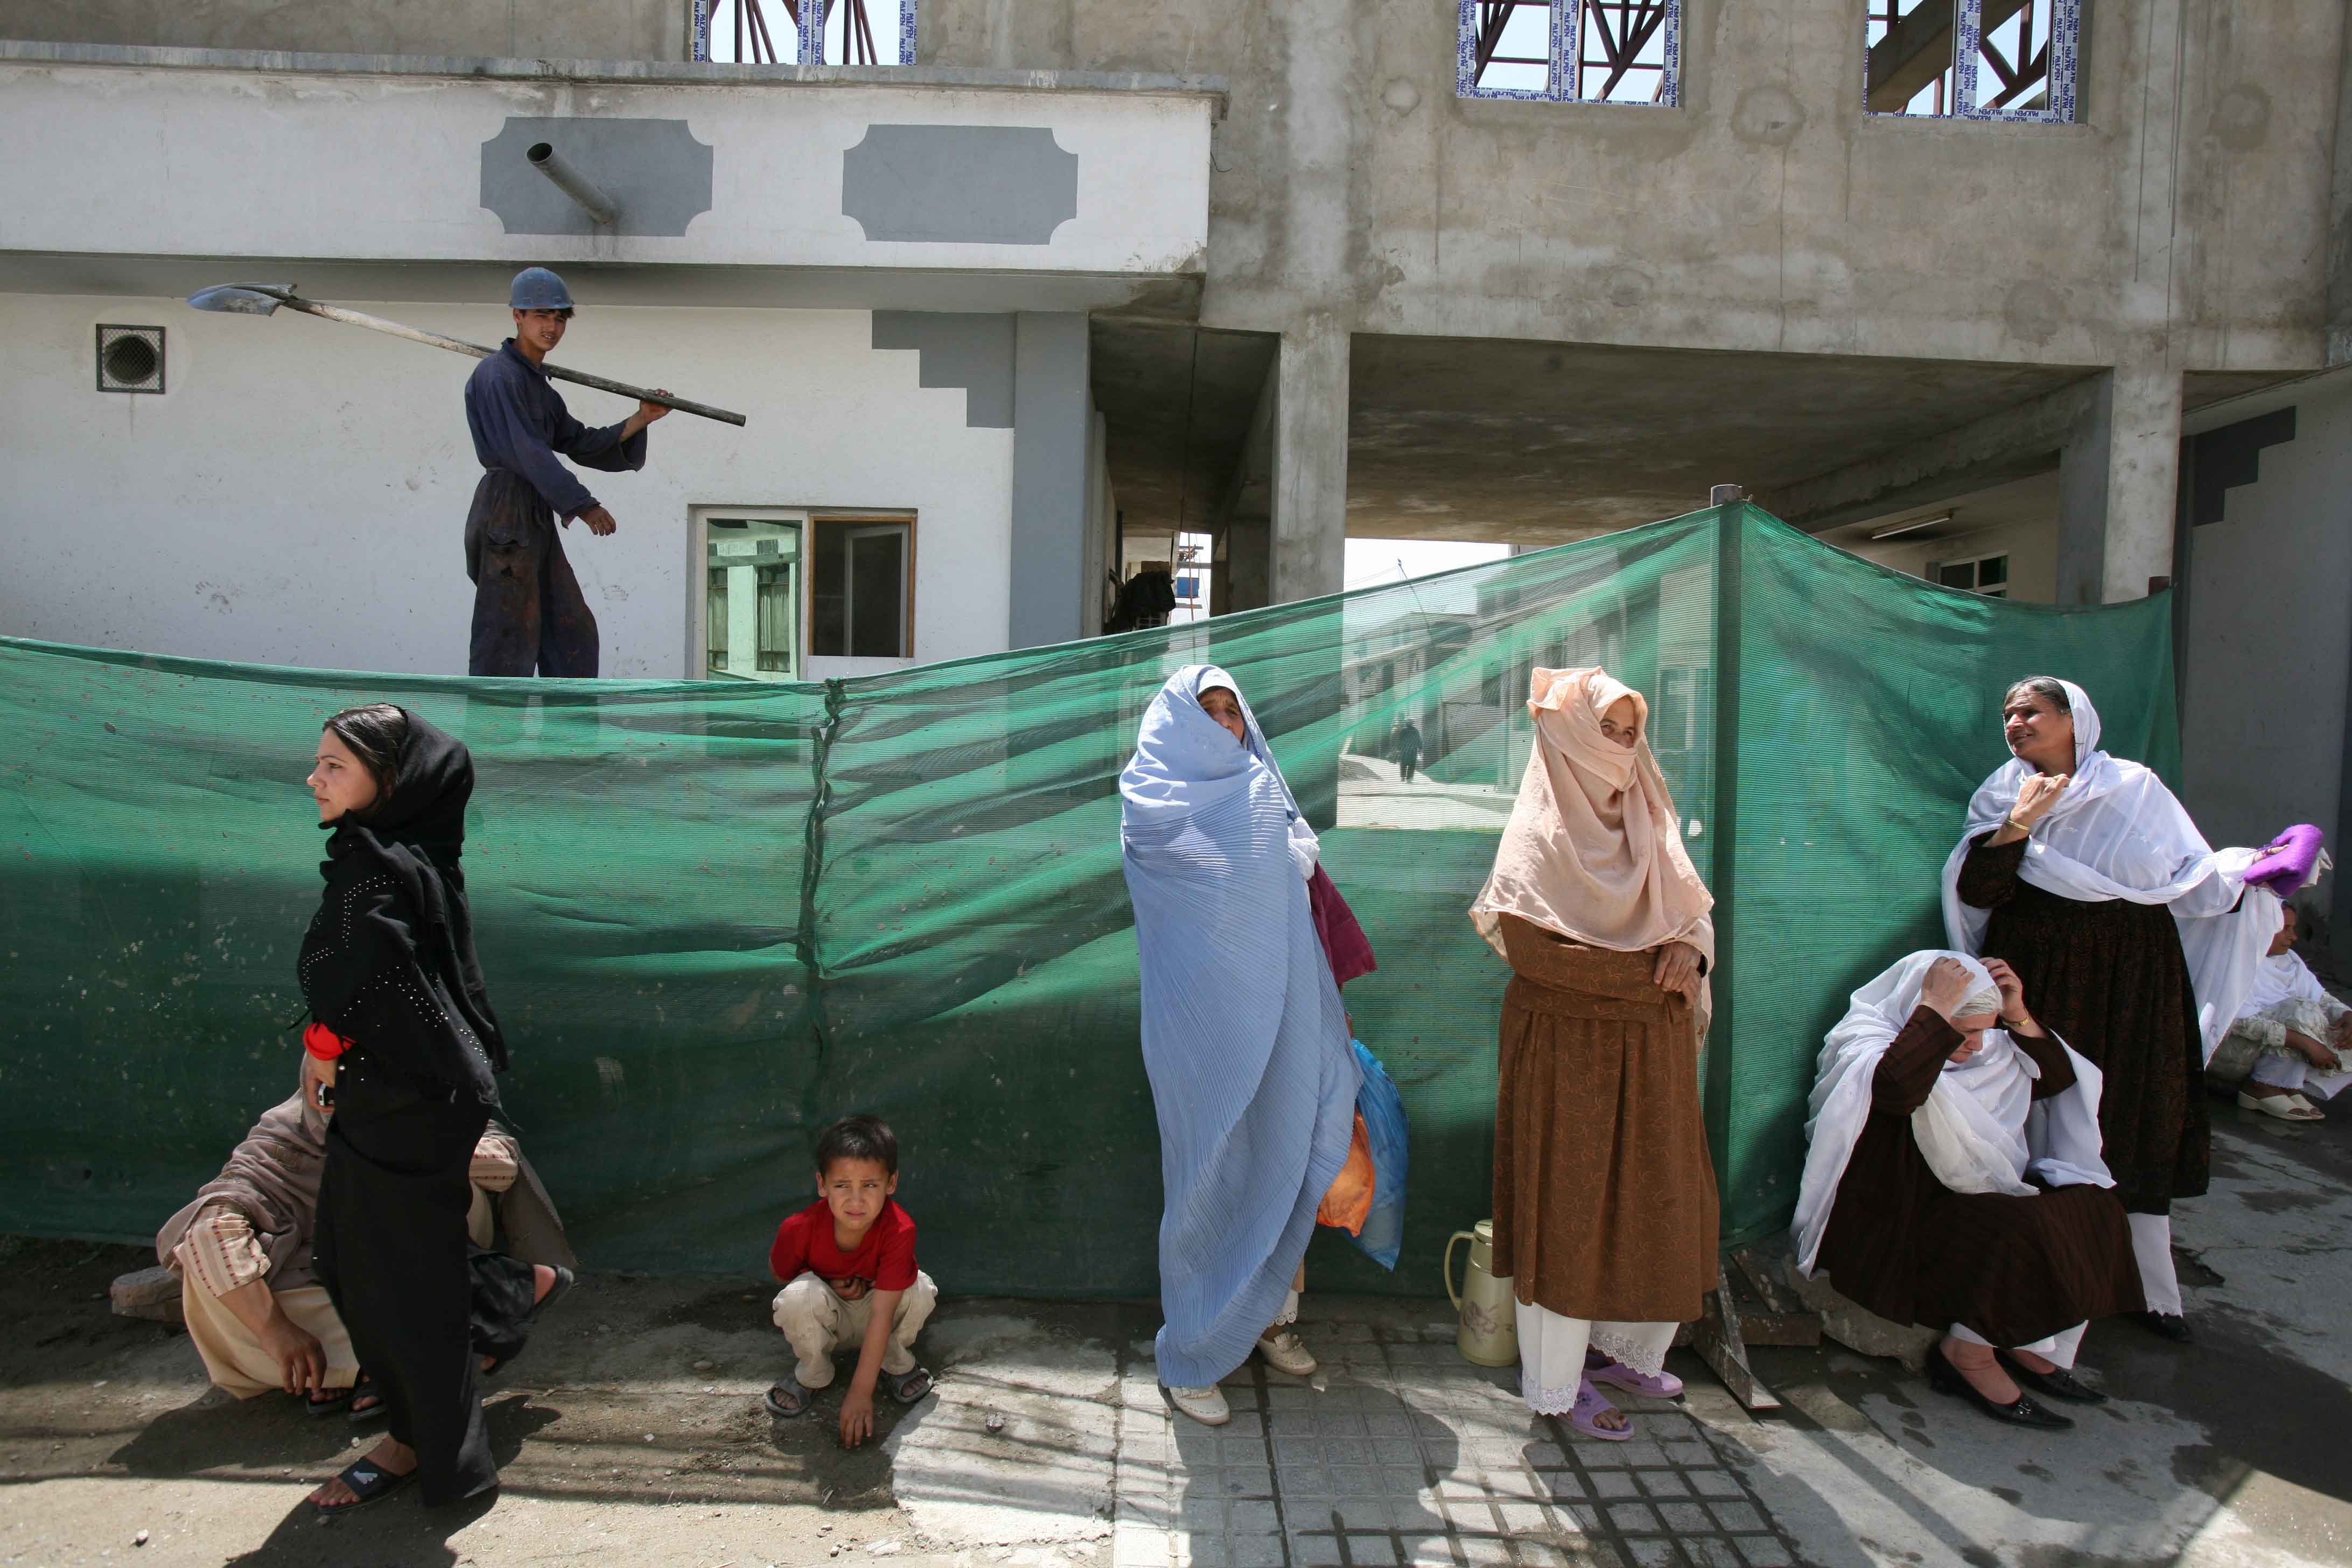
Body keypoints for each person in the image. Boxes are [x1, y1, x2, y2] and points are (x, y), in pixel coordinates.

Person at [1943, 677, 2282, 1343]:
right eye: (2008, 714)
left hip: (2137, 978)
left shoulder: (2136, 789)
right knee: (2051, 1108)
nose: (2015, 723)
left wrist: (2257, 872)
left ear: (2075, 719)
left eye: (2031, 711)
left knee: (2137, 1110)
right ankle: (2047, 1282)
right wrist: (2022, 821)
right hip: (2047, 980)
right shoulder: (2001, 793)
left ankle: (2149, 1288)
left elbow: (2189, 877)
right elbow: (1977, 888)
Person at [296, 704, 552, 1514]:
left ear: (391, 780)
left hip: (411, 1097)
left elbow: (382, 986)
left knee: (405, 1290)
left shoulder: (381, 870)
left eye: (334, 764)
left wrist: (327, 1044)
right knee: (349, 1259)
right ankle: (515, 1291)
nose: (314, 777)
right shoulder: (396, 854)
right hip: (406, 1090)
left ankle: (441, 1461)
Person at [1467, 666, 1717, 1439]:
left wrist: (1694, 955)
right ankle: (1558, 1380)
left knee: (1652, 1196)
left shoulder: (1650, 814)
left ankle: (1621, 1352)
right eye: (1604, 729)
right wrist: (1656, 973)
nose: (1620, 745)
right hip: (1568, 1048)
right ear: (1567, 733)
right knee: (1569, 1208)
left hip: (1651, 1050)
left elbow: (1692, 914)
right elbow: (1536, 953)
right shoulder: (1540, 832)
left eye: (1628, 729)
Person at [1120, 666, 1363, 1426]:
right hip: (1203, 1028)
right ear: (1176, 726)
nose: (1226, 725)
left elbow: (1288, 896)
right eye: (1210, 712)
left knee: (1294, 1151)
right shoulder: (1150, 801)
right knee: (1210, 1177)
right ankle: (1192, 1352)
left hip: (1289, 1003)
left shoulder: (1266, 792)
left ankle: (1270, 1321)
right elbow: (1204, 894)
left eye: (1234, 712)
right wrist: (1266, 853)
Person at [1794, 952, 2140, 1429]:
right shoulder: (1868, 1045)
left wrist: (2017, 1015)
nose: (1977, 1046)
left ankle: (2019, 1343)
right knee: (2021, 1229)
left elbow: (2056, 1079)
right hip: (1900, 1218)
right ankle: (1968, 1356)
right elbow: (1896, 1089)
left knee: (2097, 1206)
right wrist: (1935, 1007)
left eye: (1985, 1029)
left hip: (1975, 1190)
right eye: (1965, 1030)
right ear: (1923, 1009)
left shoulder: (1986, 1047)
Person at [155, 1073, 572, 1418]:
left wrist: (398, 1151)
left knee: (435, 1192)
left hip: (407, 1259)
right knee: (212, 1274)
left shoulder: (434, 1099)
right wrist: (276, 1331)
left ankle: (395, 1357)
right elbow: (211, 1227)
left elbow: (501, 1165)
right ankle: (377, 1360)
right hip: (318, 1274)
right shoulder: (287, 1134)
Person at [462, 266, 671, 676]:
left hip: (535, 513)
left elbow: (580, 442)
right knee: (507, 635)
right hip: (507, 512)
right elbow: (527, 452)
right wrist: (583, 504)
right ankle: (494, 737)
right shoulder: (497, 376)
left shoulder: (539, 386)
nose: (552, 326)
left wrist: (641, 418)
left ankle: (569, 737)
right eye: (542, 315)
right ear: (517, 316)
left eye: (560, 318)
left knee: (571, 631)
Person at [762, 1115, 938, 1448]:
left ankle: (894, 1362)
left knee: (920, 1287)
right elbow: (780, 1274)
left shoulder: (900, 1229)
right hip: (831, 1322)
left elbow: (883, 1313)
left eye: (870, 1185)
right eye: (842, 1185)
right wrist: (824, 1280)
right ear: (822, 1184)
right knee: (798, 1295)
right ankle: (814, 1374)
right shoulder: (799, 1227)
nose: (856, 1200)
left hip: (879, 1319)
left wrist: (860, 1394)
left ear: (891, 1183)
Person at [2208, 903, 2351, 1119]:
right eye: (2285, 929)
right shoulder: (2229, 961)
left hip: (2267, 1046)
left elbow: (2321, 999)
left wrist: (2345, 1014)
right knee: (2302, 1010)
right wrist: (2304, 1042)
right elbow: (2235, 1022)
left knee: (2337, 1022)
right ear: (2260, 927)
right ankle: (2262, 1085)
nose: (2293, 937)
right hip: (2228, 1052)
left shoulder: (2290, 961)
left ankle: (2288, 1086)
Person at [1394, 718, 1423, 785]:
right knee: (1412, 765)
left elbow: (1400, 740)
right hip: (1413, 750)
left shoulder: (1403, 730)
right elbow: (1419, 740)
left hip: (1405, 750)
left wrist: (1398, 749)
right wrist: (1420, 749)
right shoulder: (1416, 731)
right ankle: (1409, 779)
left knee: (1403, 764)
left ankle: (1403, 777)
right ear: (1413, 723)